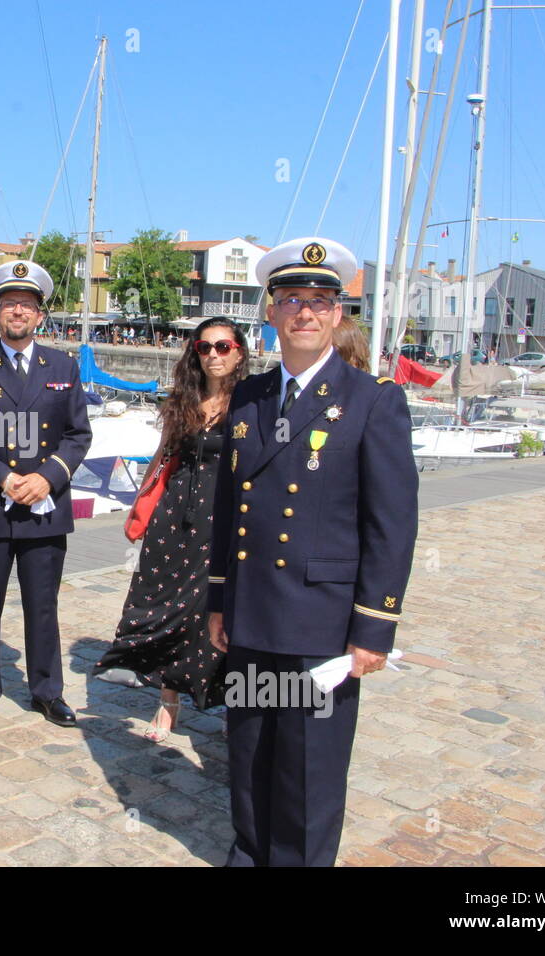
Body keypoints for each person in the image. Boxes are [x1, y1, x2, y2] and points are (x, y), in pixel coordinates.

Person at [207, 237, 418, 866]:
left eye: (321, 301)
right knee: (248, 750)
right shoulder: (248, 397)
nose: (306, 312)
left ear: (338, 315)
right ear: (270, 313)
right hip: (251, 613)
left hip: (318, 620)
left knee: (308, 764)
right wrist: (218, 601)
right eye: (292, 299)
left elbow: (391, 523)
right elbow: (227, 511)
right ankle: (250, 852)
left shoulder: (372, 399)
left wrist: (373, 628)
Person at [0, 260, 92, 735]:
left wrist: (48, 477)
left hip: (45, 508)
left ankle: (48, 691)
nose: (18, 312)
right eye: (9, 305)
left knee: (43, 603)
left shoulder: (63, 366)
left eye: (26, 305)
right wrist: (4, 478)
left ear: (40, 315)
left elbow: (77, 435)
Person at [94, 318, 247, 740]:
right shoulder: (183, 399)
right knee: (164, 603)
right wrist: (142, 506)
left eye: (222, 346)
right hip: (175, 513)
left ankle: (229, 703)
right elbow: (164, 457)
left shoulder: (251, 403)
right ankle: (167, 703)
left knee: (213, 611)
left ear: (239, 352)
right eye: (204, 347)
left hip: (224, 516)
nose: (213, 355)